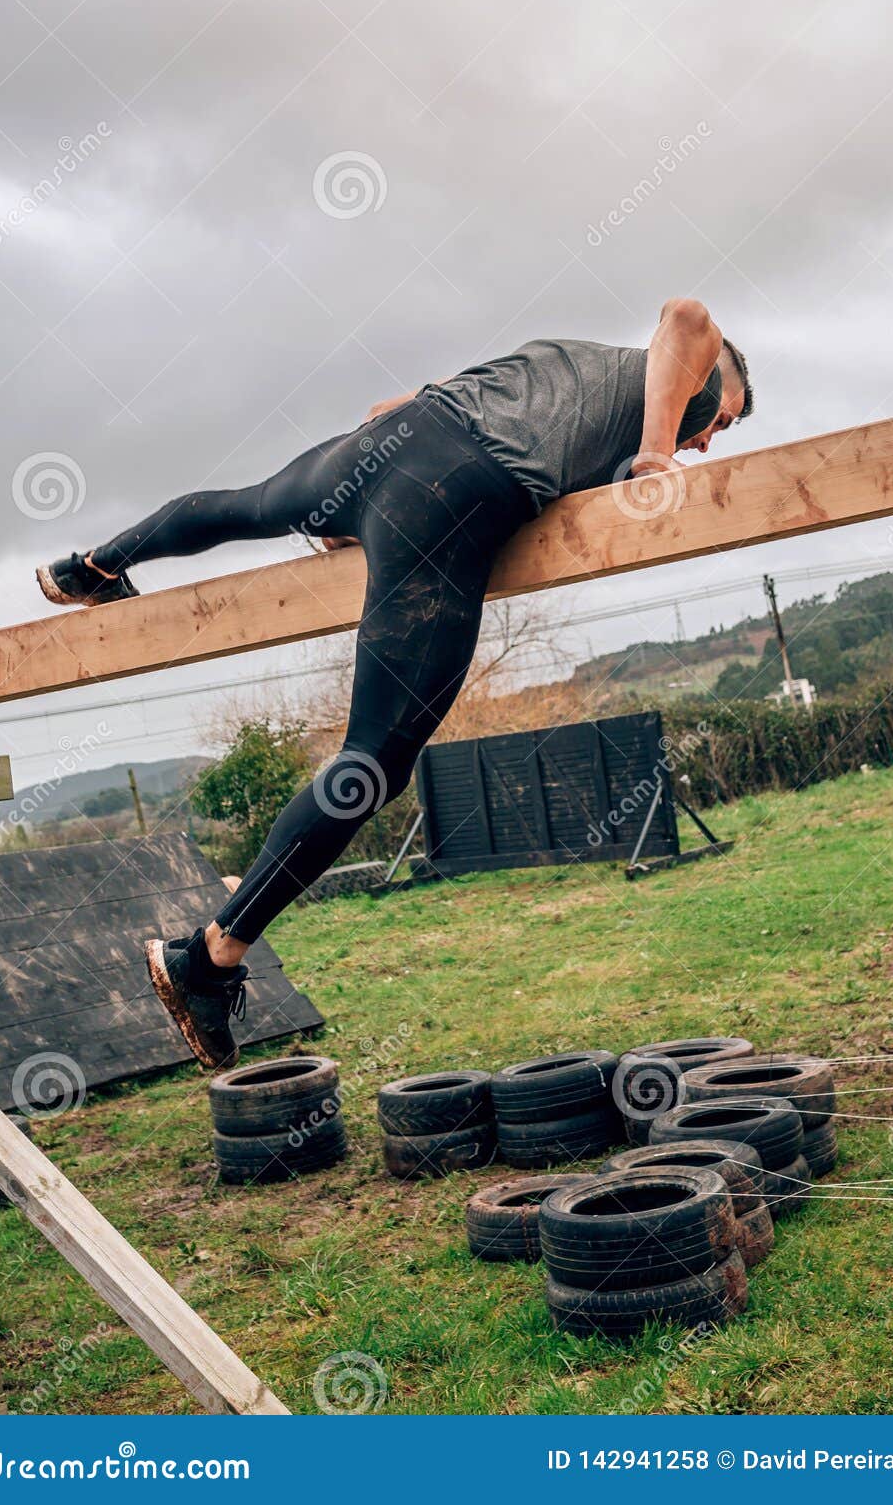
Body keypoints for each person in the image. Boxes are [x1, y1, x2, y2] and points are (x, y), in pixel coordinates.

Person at [37, 299, 752, 1068]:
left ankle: (92, 566)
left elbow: (391, 405)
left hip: (385, 448)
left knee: (243, 506)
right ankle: (207, 961)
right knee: (373, 761)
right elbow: (685, 316)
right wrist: (653, 453)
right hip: (457, 488)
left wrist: (367, 513)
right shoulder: (682, 378)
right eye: (724, 419)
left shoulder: (561, 363)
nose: (707, 436)